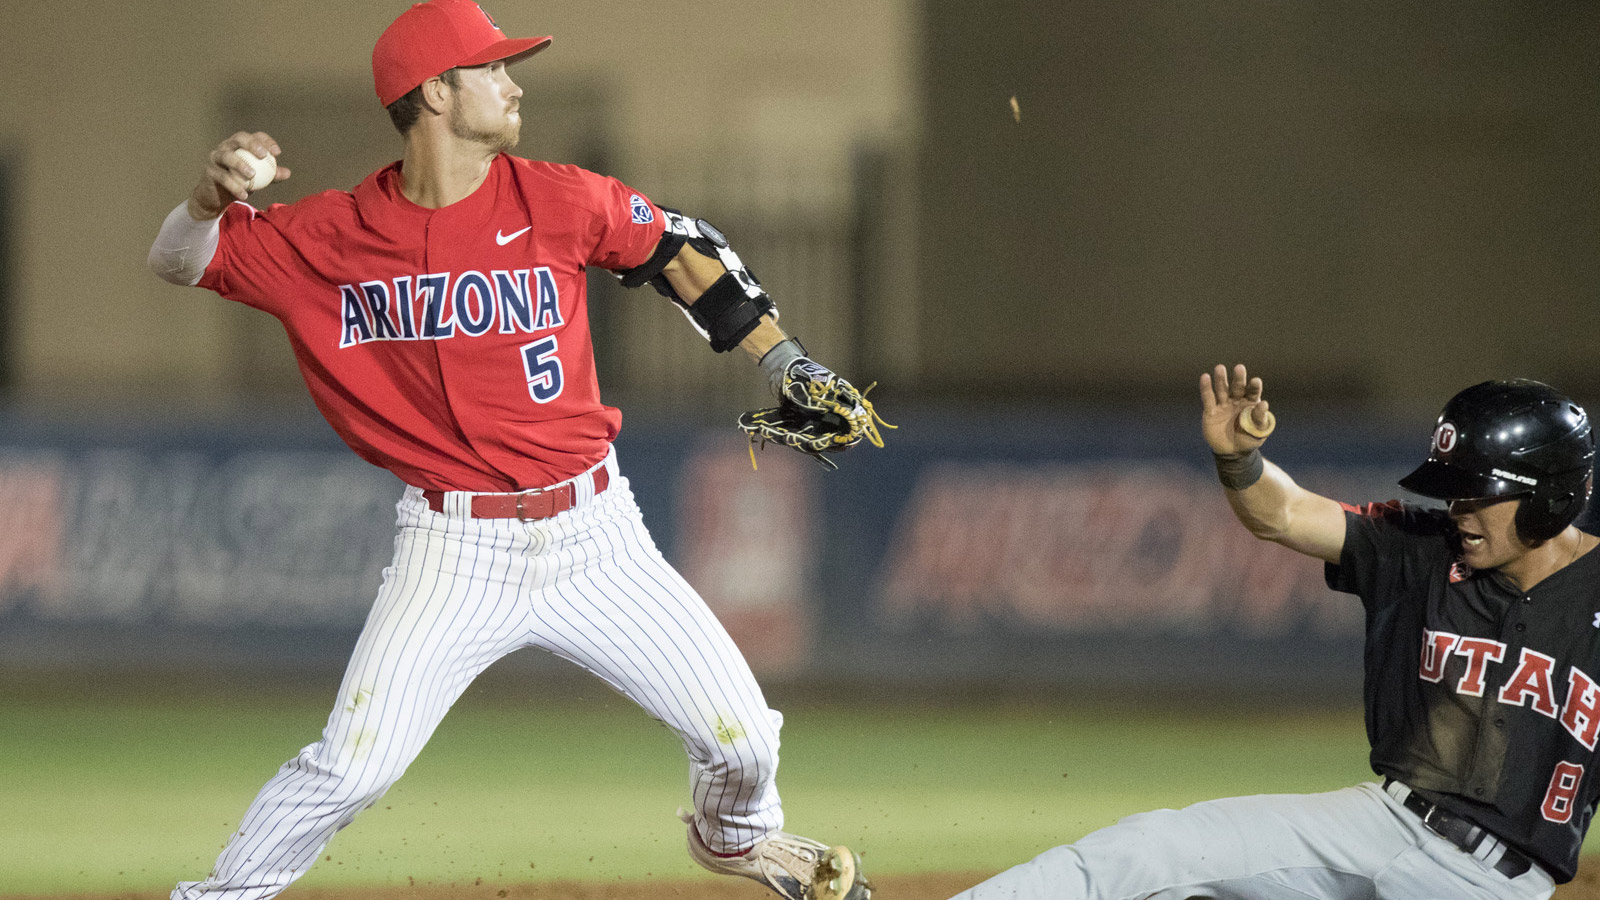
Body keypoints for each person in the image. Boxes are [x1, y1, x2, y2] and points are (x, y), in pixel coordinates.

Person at [145, 3, 873, 899]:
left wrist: (783, 358)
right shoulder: (328, 237)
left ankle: (733, 841)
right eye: (491, 69)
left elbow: (679, 247)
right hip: (453, 553)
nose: (513, 81)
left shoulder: (558, 198)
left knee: (745, 743)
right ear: (435, 94)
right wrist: (206, 202)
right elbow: (180, 262)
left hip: (596, 535)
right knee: (352, 768)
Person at [950, 363, 1599, 900]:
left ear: (1552, 496)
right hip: (1380, 820)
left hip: (1492, 886)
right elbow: (1283, 514)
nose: (1458, 510)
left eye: (1478, 494)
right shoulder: (1421, 548)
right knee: (1158, 846)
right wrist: (1240, 462)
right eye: (1454, 493)